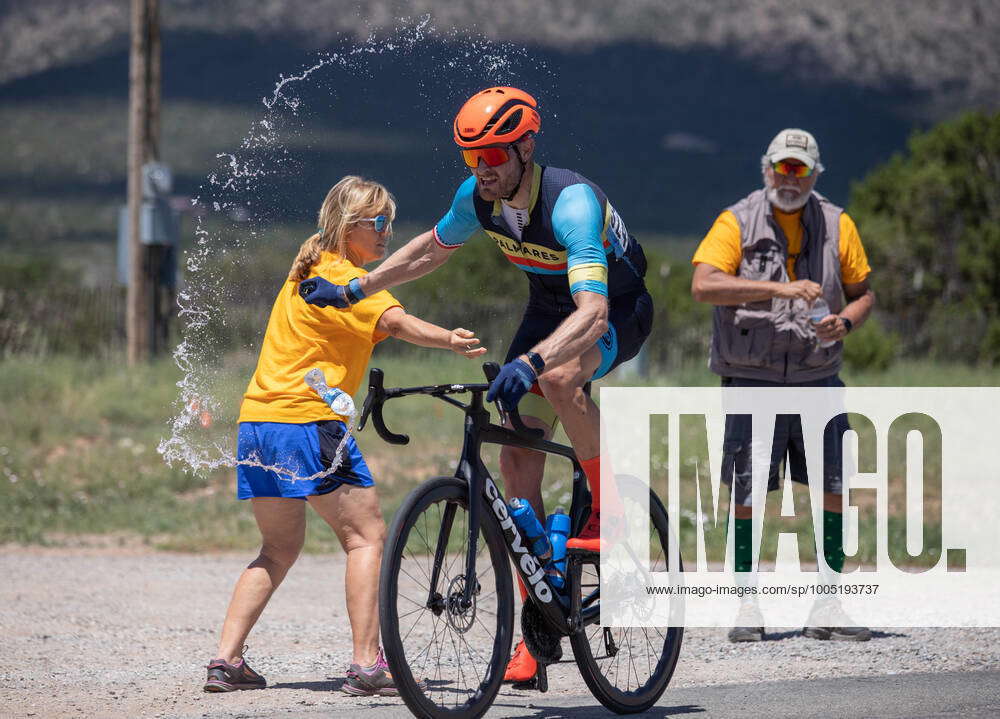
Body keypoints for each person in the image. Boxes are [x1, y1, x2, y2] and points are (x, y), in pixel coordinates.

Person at [300, 87, 653, 682]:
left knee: (564, 377)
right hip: (548, 309)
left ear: (525, 146)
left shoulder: (571, 205)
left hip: (613, 309)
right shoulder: (479, 198)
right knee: (515, 461)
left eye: (492, 156)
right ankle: (539, 622)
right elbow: (427, 253)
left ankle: (607, 505)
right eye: (470, 157)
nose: (481, 170)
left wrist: (533, 365)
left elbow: (591, 313)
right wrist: (356, 288)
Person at [204, 176, 486, 695]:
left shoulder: (305, 266)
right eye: (377, 222)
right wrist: (450, 340)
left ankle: (225, 661)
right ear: (346, 226)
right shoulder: (342, 277)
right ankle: (365, 664)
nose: (386, 233)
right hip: (309, 423)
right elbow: (396, 323)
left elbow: (376, 323)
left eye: (390, 223)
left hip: (258, 424)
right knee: (366, 537)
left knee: (276, 549)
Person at [690, 129, 875, 642]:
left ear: (816, 175)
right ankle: (746, 605)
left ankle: (829, 606)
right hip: (752, 378)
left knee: (833, 489)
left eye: (800, 170)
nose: (789, 179)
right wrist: (779, 288)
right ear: (765, 167)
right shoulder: (736, 220)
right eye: (782, 167)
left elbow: (863, 294)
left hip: (818, 378)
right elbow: (704, 284)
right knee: (748, 492)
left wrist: (847, 321)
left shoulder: (840, 224)